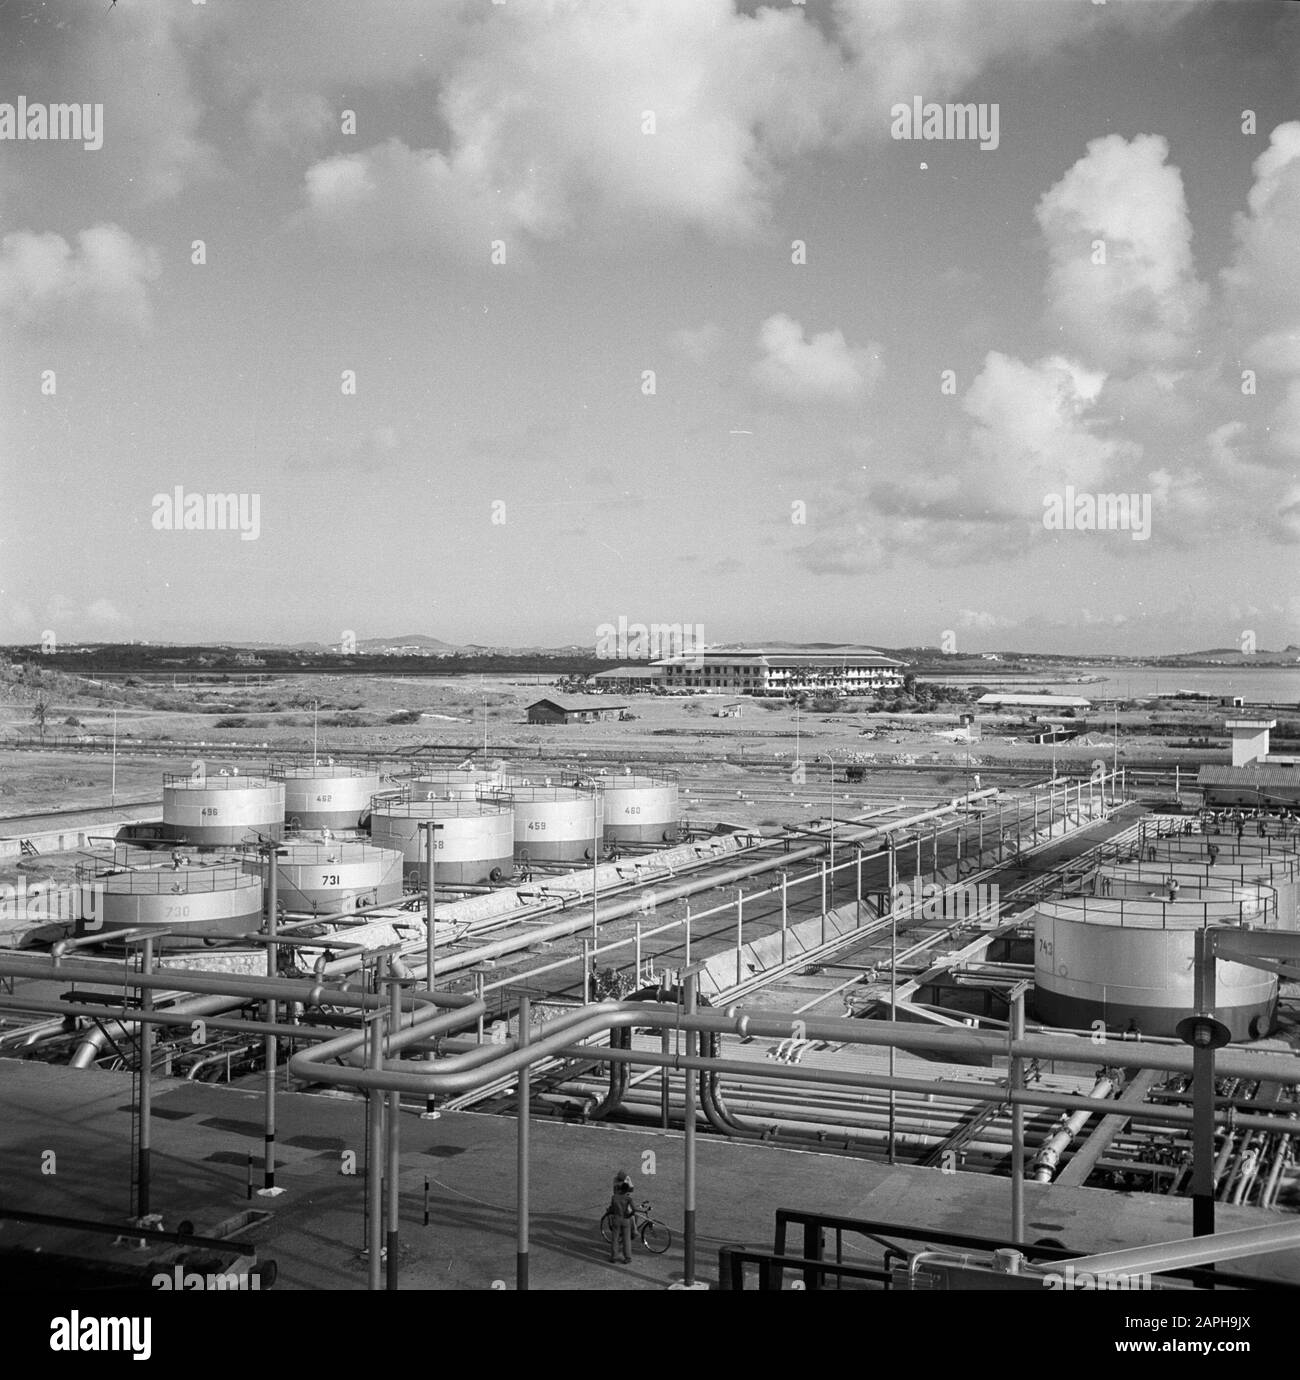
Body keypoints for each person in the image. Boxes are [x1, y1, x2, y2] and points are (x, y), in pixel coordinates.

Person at [608, 1174, 635, 1264]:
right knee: (626, 1239)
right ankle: (627, 1257)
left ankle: (614, 1257)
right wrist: (629, 1215)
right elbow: (634, 1209)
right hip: (625, 1220)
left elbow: (612, 1209)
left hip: (616, 1219)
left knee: (615, 1239)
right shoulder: (628, 1198)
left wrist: (610, 1211)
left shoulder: (614, 1197)